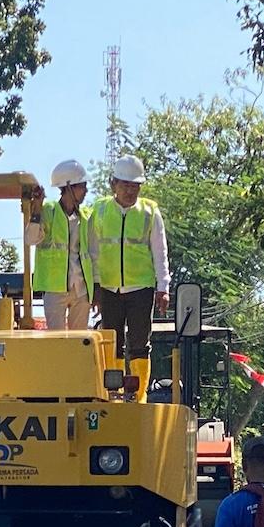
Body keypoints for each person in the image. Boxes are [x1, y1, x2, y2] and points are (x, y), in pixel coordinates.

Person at [90, 154, 170, 401]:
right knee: (112, 340)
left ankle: (138, 394)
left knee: (139, 343)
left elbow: (160, 250)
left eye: (135, 185)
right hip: (109, 287)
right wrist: (94, 286)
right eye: (125, 184)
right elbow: (92, 250)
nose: (130, 190)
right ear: (113, 183)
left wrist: (163, 286)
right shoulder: (100, 210)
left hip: (141, 287)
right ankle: (111, 391)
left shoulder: (149, 212)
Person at [27, 159, 98, 330]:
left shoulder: (86, 216)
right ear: (68, 186)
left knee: (79, 341)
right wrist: (36, 209)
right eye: (82, 186)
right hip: (54, 288)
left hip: (81, 288)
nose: (86, 190)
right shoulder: (48, 211)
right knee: (56, 341)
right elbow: (30, 239)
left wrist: (95, 288)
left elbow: (94, 254)